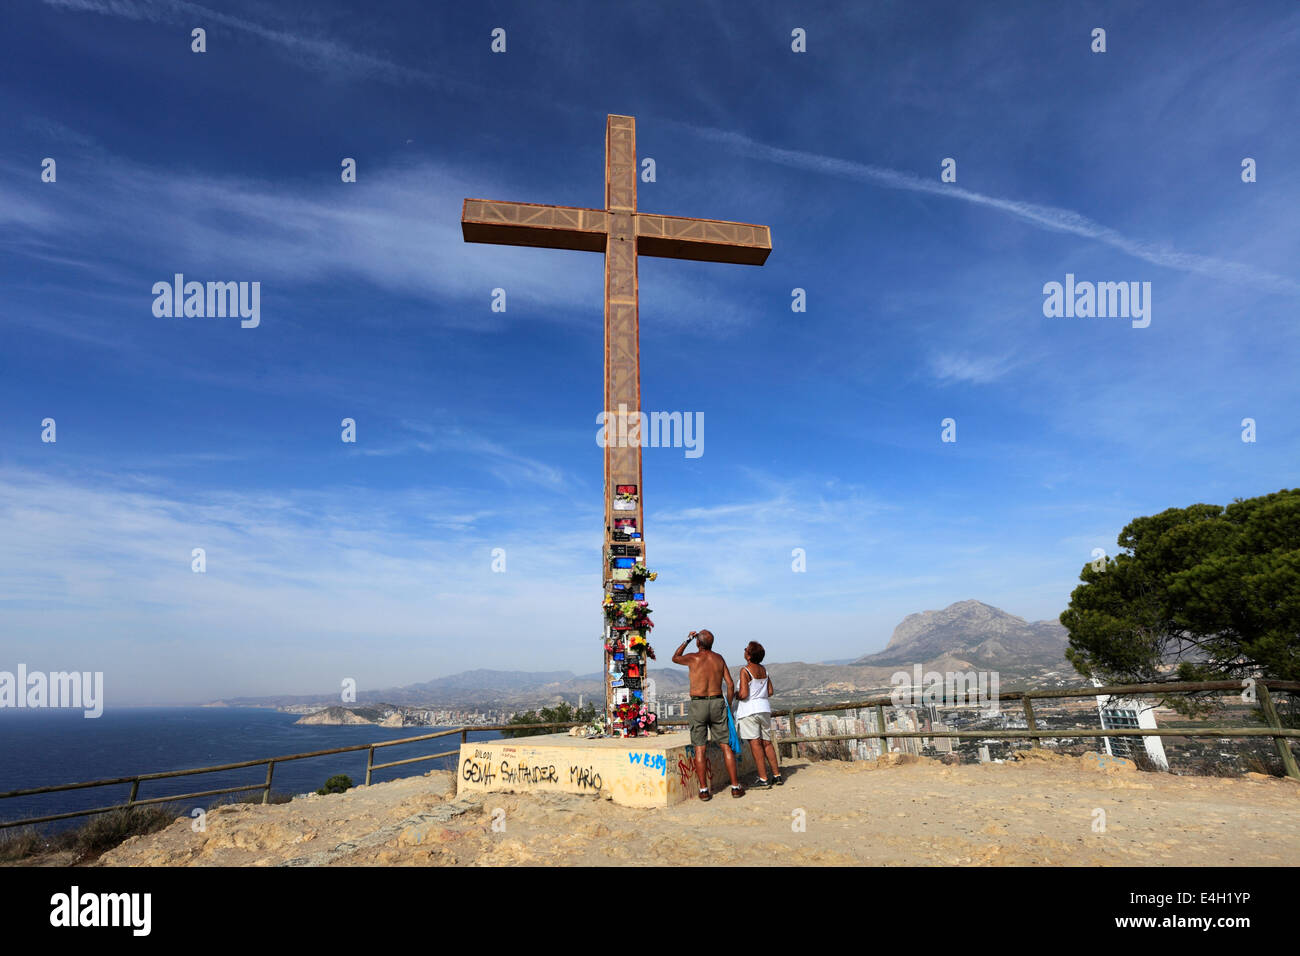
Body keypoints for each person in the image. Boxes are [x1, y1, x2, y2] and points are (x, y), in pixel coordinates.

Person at [672, 629, 744, 800]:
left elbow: (675, 657)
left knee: (700, 747)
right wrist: (727, 704)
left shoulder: (693, 658)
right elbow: (731, 684)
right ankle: (735, 786)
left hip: (698, 703)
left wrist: (687, 639)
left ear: (698, 643)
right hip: (718, 701)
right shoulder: (719, 659)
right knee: (726, 745)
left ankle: (704, 790)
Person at [734, 641, 783, 788]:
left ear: (749, 655)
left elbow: (743, 694)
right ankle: (776, 775)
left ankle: (763, 778)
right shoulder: (764, 670)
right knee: (767, 743)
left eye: (746, 649)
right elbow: (770, 691)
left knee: (755, 744)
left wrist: (736, 695)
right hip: (764, 708)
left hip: (749, 710)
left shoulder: (745, 670)